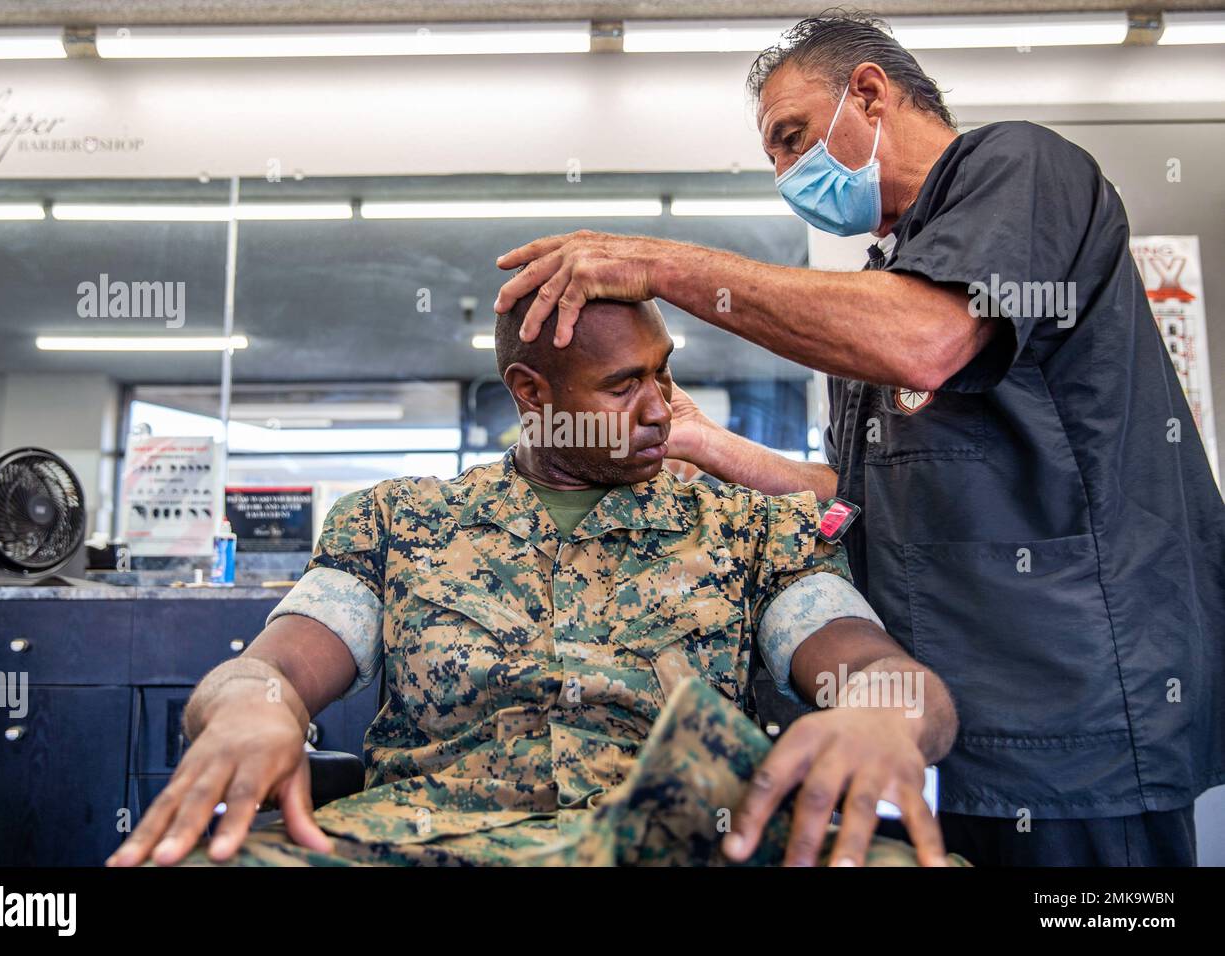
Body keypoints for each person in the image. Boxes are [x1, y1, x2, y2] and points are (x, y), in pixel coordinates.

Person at [491, 11, 1225, 866]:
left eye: (793, 137)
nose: (787, 173)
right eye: (773, 156)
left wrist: (660, 265)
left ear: (869, 94)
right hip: (951, 730)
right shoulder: (890, 279)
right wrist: (701, 441)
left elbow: (927, 339)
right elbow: (851, 501)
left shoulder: (1018, 167)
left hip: (1075, 709)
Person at [106, 289, 964, 868]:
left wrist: (882, 716)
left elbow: (869, 662)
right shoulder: (396, 523)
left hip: (681, 841)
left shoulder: (750, 530)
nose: (663, 407)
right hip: (430, 842)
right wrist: (248, 713)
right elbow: (276, 669)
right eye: (624, 384)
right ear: (530, 391)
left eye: (663, 372)